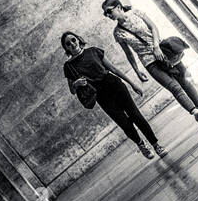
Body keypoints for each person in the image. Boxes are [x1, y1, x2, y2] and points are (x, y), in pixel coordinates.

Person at [101, 0, 198, 126]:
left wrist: (156, 47)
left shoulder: (136, 13)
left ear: (118, 7)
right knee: (174, 87)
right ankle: (196, 112)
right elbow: (128, 53)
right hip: (149, 62)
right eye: (105, 13)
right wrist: (137, 71)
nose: (108, 15)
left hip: (163, 52)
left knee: (184, 81)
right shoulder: (118, 33)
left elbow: (153, 27)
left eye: (109, 11)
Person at [60, 30, 167, 159]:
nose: (72, 44)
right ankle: (141, 144)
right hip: (100, 94)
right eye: (68, 44)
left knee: (136, 115)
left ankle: (156, 145)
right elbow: (72, 90)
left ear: (78, 39)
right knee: (124, 122)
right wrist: (76, 83)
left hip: (115, 85)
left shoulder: (94, 51)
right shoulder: (68, 66)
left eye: (73, 40)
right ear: (66, 48)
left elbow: (114, 69)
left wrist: (132, 83)